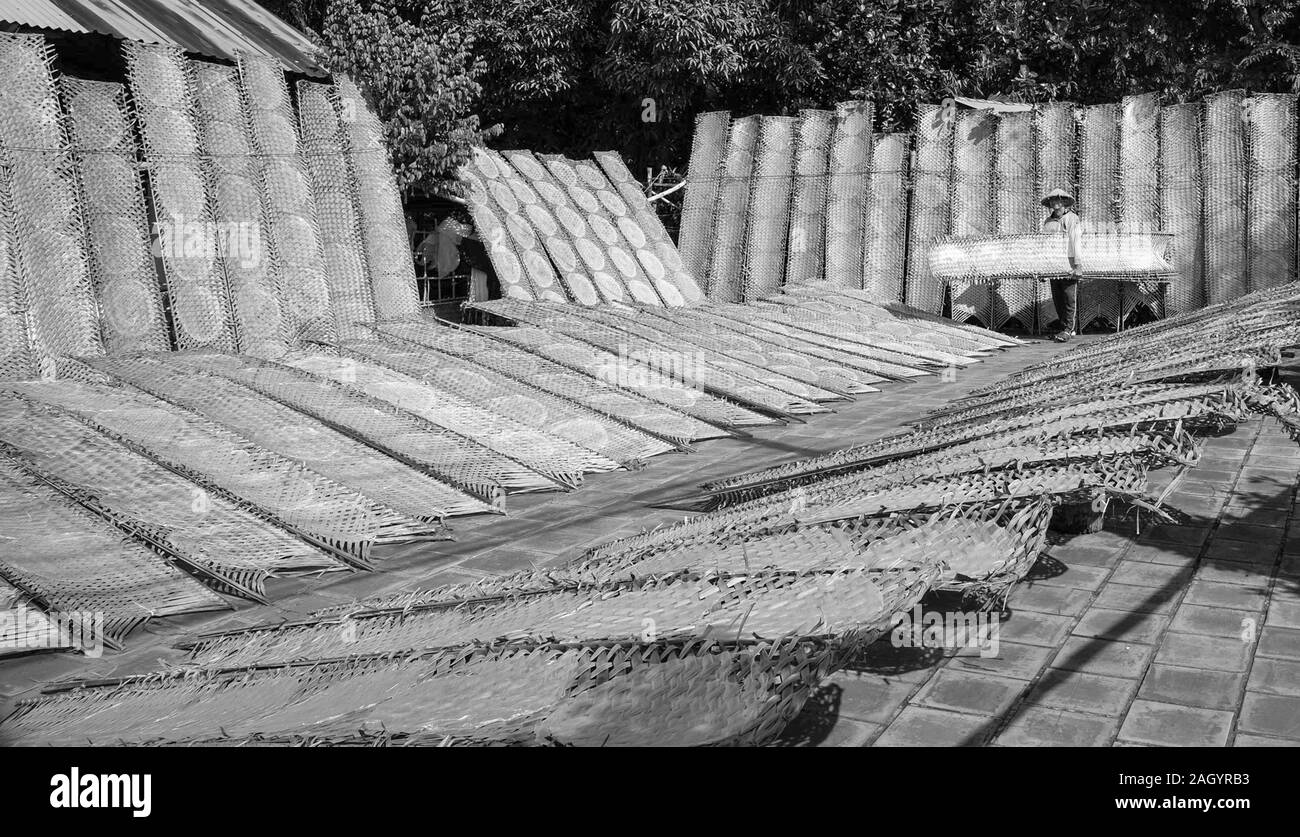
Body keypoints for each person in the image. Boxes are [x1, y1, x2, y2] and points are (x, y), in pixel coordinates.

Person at [1041, 188, 1083, 342]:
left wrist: (1077, 265)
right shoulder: (1048, 222)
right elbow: (1045, 244)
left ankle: (1068, 329)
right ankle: (1063, 328)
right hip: (1054, 265)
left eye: (1058, 200)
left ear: (1065, 202)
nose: (1055, 203)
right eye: (1053, 200)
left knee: (1069, 298)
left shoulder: (1072, 218)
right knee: (1058, 298)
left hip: (1068, 264)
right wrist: (1044, 268)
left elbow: (1075, 241)